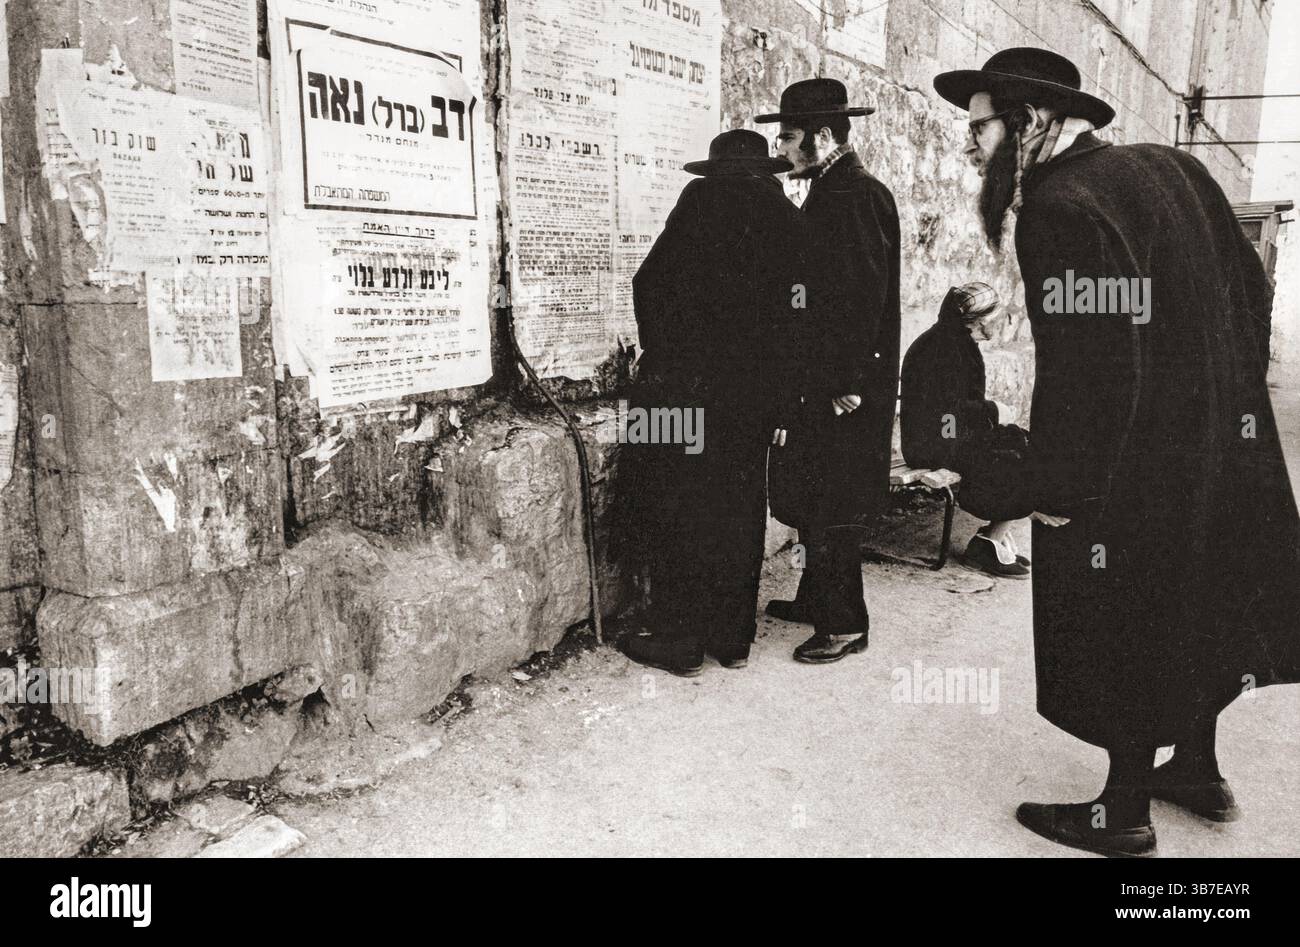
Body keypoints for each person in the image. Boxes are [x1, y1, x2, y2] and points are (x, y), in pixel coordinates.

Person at [934, 46, 1300, 856]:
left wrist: (1061, 485)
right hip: (1212, 442)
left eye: (979, 128)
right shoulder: (1169, 168)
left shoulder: (1060, 207)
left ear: (1029, 123)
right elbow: (1249, 285)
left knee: (1124, 612)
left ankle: (1123, 807)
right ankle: (1198, 768)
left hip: (1136, 459)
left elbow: (1091, 370)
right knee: (1196, 600)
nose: (969, 146)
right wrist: (1220, 391)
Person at [617, 129, 809, 677]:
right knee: (739, 507)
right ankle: (733, 639)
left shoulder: (702, 202)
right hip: (752, 402)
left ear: (715, 170)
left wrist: (666, 355)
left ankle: (680, 638)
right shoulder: (789, 220)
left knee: (680, 506)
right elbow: (800, 320)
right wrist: (781, 403)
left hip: (686, 392)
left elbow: (649, 282)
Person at [756, 78, 902, 664]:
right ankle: (817, 598)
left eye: (789, 138)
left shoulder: (856, 194)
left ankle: (844, 622)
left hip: (845, 387)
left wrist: (845, 381)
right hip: (831, 381)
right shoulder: (834, 187)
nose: (783, 151)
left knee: (834, 500)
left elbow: (861, 297)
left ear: (822, 134)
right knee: (818, 491)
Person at [900, 281, 1032, 577]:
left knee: (1025, 444)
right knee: (1016, 457)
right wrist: (993, 411)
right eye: (987, 323)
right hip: (934, 444)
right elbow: (945, 411)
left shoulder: (953, 342)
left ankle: (992, 538)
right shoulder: (943, 349)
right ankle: (988, 545)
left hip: (947, 437)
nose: (991, 330)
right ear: (973, 321)